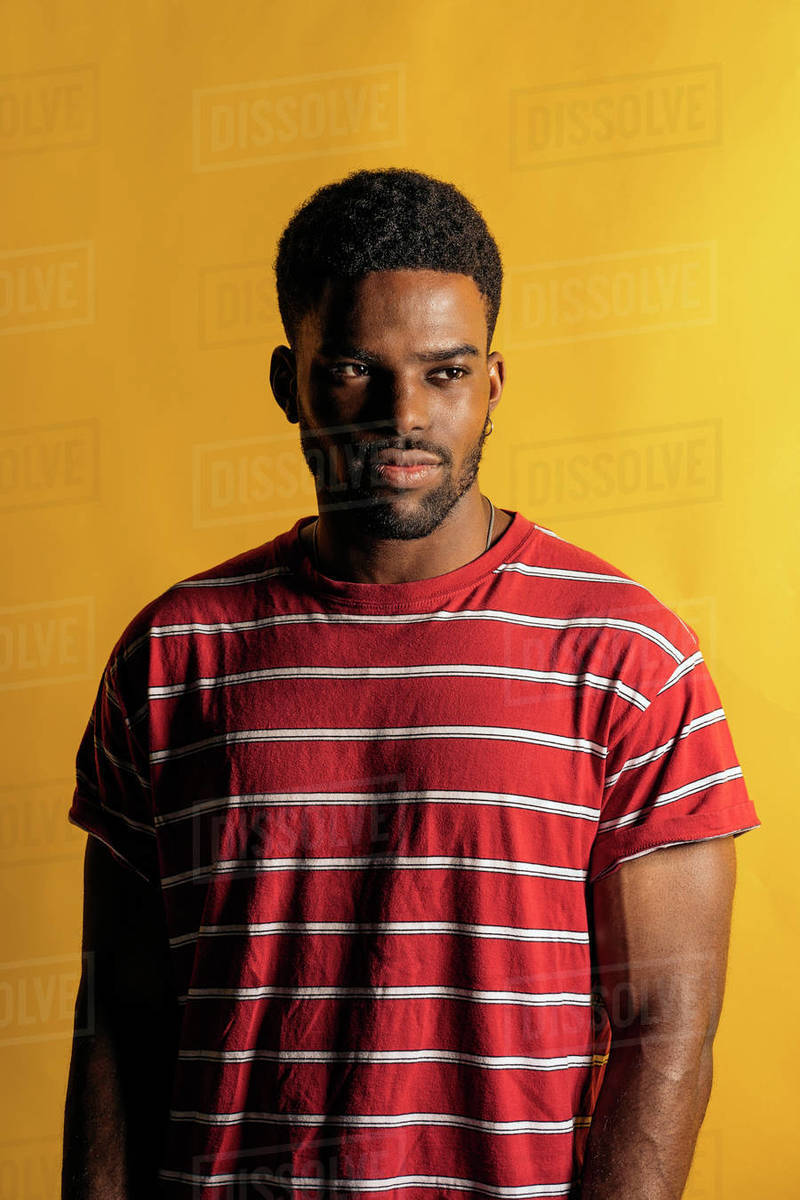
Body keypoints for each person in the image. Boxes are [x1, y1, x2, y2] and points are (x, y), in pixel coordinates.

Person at [62, 167, 760, 1200]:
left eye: (444, 372)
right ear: (286, 380)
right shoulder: (174, 655)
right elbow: (121, 1016)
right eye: (353, 368)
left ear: (492, 383)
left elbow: (665, 1032)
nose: (404, 417)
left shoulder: (627, 656)